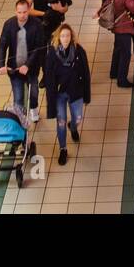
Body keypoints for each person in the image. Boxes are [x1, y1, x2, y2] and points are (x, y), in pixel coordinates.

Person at [43, 23, 91, 166]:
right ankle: (63, 148)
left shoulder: (79, 51)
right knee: (61, 122)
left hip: (75, 91)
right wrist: (50, 99)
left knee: (78, 118)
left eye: (68, 36)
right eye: (63, 36)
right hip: (59, 94)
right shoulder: (52, 54)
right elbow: (48, 76)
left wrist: (87, 95)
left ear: (72, 37)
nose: (65, 39)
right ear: (58, 37)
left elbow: (86, 73)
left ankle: (74, 127)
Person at [0, 0, 47, 120]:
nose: (22, 15)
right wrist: (1, 66)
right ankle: (20, 121)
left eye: (24, 12)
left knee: (33, 92)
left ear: (29, 10)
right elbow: (2, 45)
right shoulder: (9, 25)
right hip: (14, 68)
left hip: (31, 67)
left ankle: (34, 109)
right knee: (18, 97)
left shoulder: (37, 25)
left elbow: (39, 48)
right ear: (16, 11)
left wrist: (28, 65)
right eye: (19, 12)